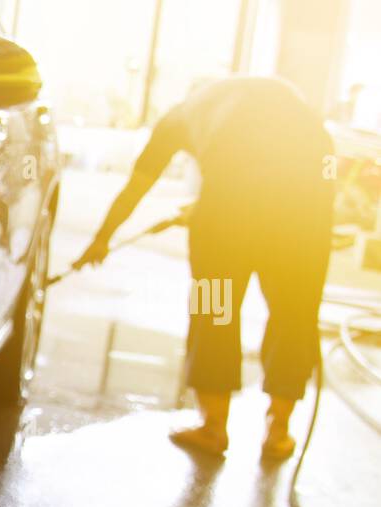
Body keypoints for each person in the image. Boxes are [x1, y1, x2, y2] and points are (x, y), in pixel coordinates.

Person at [74, 76, 336, 460]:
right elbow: (309, 167)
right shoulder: (269, 94)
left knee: (214, 308)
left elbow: (138, 184)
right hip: (309, 200)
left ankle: (213, 428)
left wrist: (102, 239)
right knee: (296, 312)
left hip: (229, 208)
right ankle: (278, 430)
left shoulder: (182, 115)